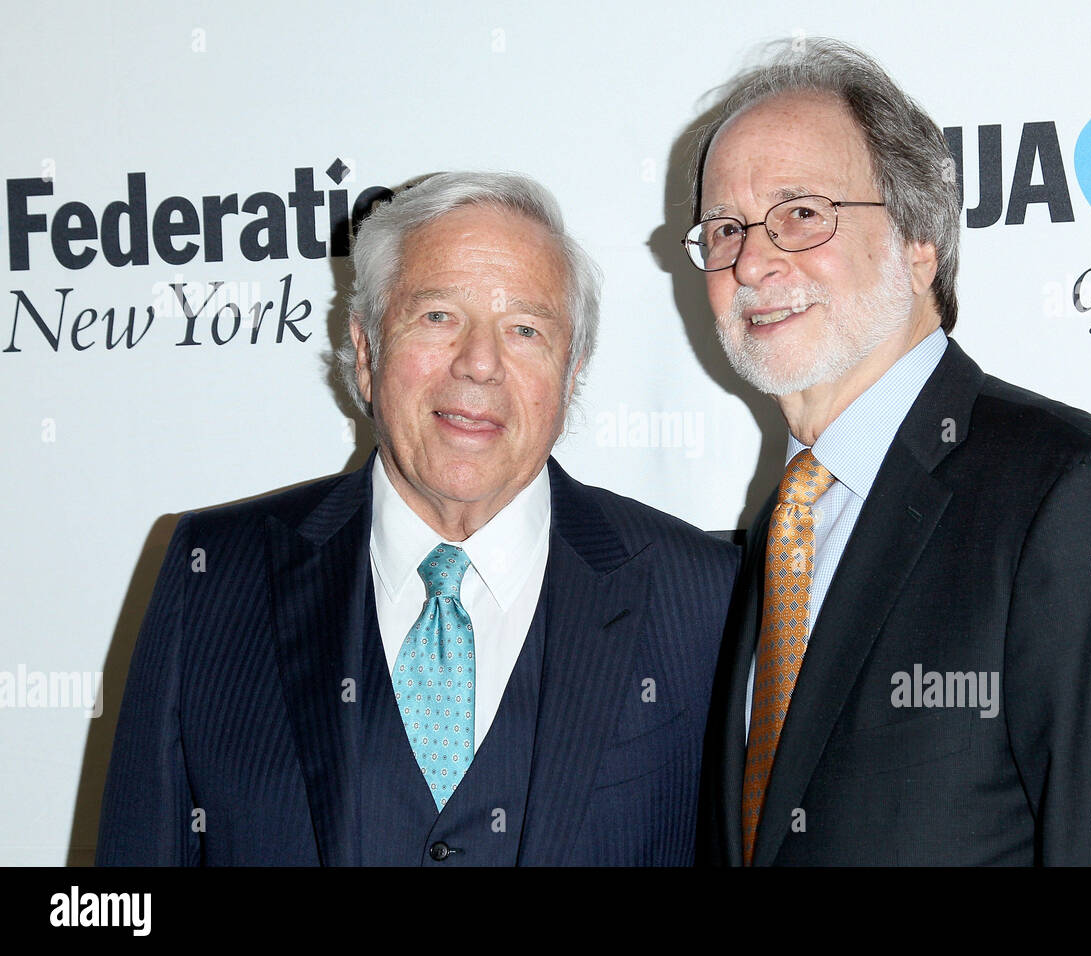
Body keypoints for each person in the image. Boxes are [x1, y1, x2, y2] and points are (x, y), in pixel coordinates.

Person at [686, 39, 1091, 865]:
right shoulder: (783, 527)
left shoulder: (1071, 496)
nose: (754, 259)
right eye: (724, 227)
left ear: (921, 243)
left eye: (801, 214)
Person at [97, 171, 738, 866]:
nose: (479, 364)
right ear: (367, 352)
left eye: (525, 329)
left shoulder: (704, 596)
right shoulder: (211, 577)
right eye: (438, 317)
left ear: (572, 372)